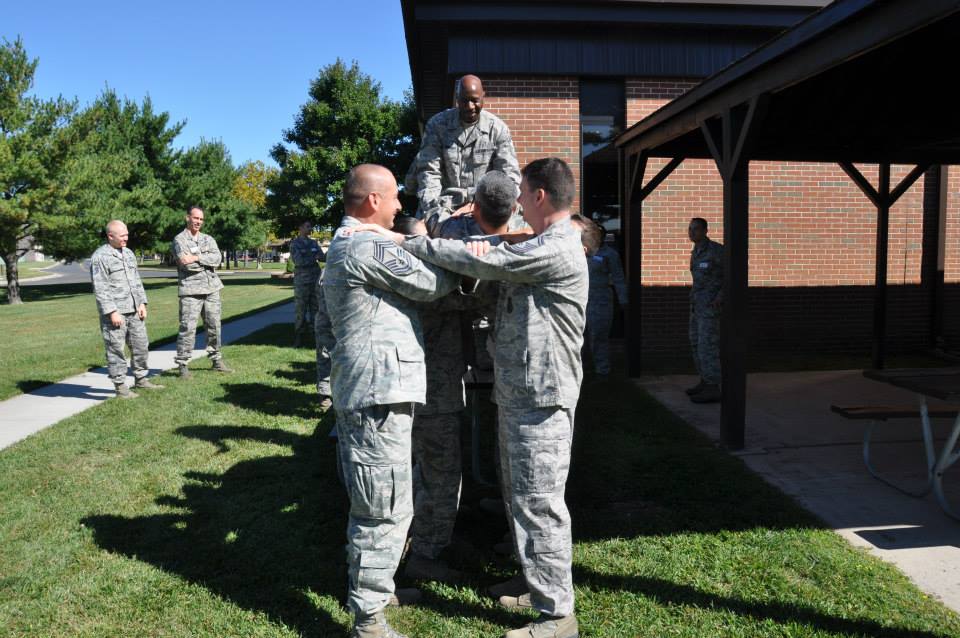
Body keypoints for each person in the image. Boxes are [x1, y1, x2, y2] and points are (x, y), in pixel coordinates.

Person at [357, 158, 586, 638]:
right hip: (523, 393)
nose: (518, 201)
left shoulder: (558, 248)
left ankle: (557, 618)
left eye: (523, 192)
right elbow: (502, 247)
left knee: (539, 501)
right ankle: (536, 581)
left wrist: (413, 242)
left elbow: (489, 258)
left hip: (541, 398)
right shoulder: (542, 242)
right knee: (523, 496)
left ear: (540, 195)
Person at [323, 164, 460, 638]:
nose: (402, 207)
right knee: (383, 508)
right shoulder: (367, 245)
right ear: (373, 201)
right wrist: (425, 240)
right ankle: (369, 621)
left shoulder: (354, 243)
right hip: (377, 395)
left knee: (381, 502)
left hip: (374, 391)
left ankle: (375, 596)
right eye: (396, 198)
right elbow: (433, 285)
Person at [402, 170, 517, 585]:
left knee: (437, 467)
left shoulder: (436, 249)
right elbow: (463, 293)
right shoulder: (434, 261)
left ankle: (431, 538)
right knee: (439, 470)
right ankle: (425, 552)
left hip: (442, 377)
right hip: (433, 381)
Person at [409, 74, 521, 222]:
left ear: (483, 97)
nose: (470, 106)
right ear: (457, 99)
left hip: (485, 206)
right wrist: (434, 211)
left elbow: (509, 177)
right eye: (464, 101)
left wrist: (482, 207)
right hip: (443, 204)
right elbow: (429, 171)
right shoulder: (437, 125)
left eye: (475, 100)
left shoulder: (498, 129)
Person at [89, 220, 163, 399]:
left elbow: (136, 281)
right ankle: (120, 386)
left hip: (134, 310)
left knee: (141, 346)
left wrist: (142, 303)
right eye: (122, 236)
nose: (126, 238)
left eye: (127, 234)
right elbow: (100, 287)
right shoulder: (100, 257)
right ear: (110, 236)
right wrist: (112, 312)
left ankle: (141, 379)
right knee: (116, 350)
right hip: (116, 313)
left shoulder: (128, 253)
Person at [171, 206, 232, 378]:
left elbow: (217, 259)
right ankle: (183, 363)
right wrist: (206, 260)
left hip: (212, 289)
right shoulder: (179, 239)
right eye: (195, 218)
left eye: (201, 219)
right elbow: (186, 264)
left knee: (214, 326)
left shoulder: (208, 238)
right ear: (187, 218)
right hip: (190, 290)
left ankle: (216, 360)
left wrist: (197, 257)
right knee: (187, 328)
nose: (198, 222)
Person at [687, 217, 723, 403]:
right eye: (690, 229)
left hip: (710, 309)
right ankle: (704, 380)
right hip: (696, 307)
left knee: (707, 347)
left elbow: (733, 275)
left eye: (695, 229)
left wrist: (720, 297)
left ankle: (713, 387)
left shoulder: (717, 251)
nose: (691, 232)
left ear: (705, 231)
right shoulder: (696, 252)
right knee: (695, 344)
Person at [583, 228, 628, 377]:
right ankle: (580, 370)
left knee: (599, 336)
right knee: (578, 335)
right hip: (580, 299)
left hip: (600, 300)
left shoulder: (610, 254)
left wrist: (623, 299)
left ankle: (602, 370)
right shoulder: (581, 250)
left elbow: (618, 278)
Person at [289, 220, 324, 347]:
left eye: (311, 227)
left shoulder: (313, 242)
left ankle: (316, 336)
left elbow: (322, 257)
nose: (310, 229)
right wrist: (313, 257)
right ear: (300, 228)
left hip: (315, 281)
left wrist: (314, 256)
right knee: (301, 310)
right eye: (307, 226)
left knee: (316, 309)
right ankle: (299, 337)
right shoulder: (295, 244)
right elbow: (299, 262)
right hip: (302, 282)